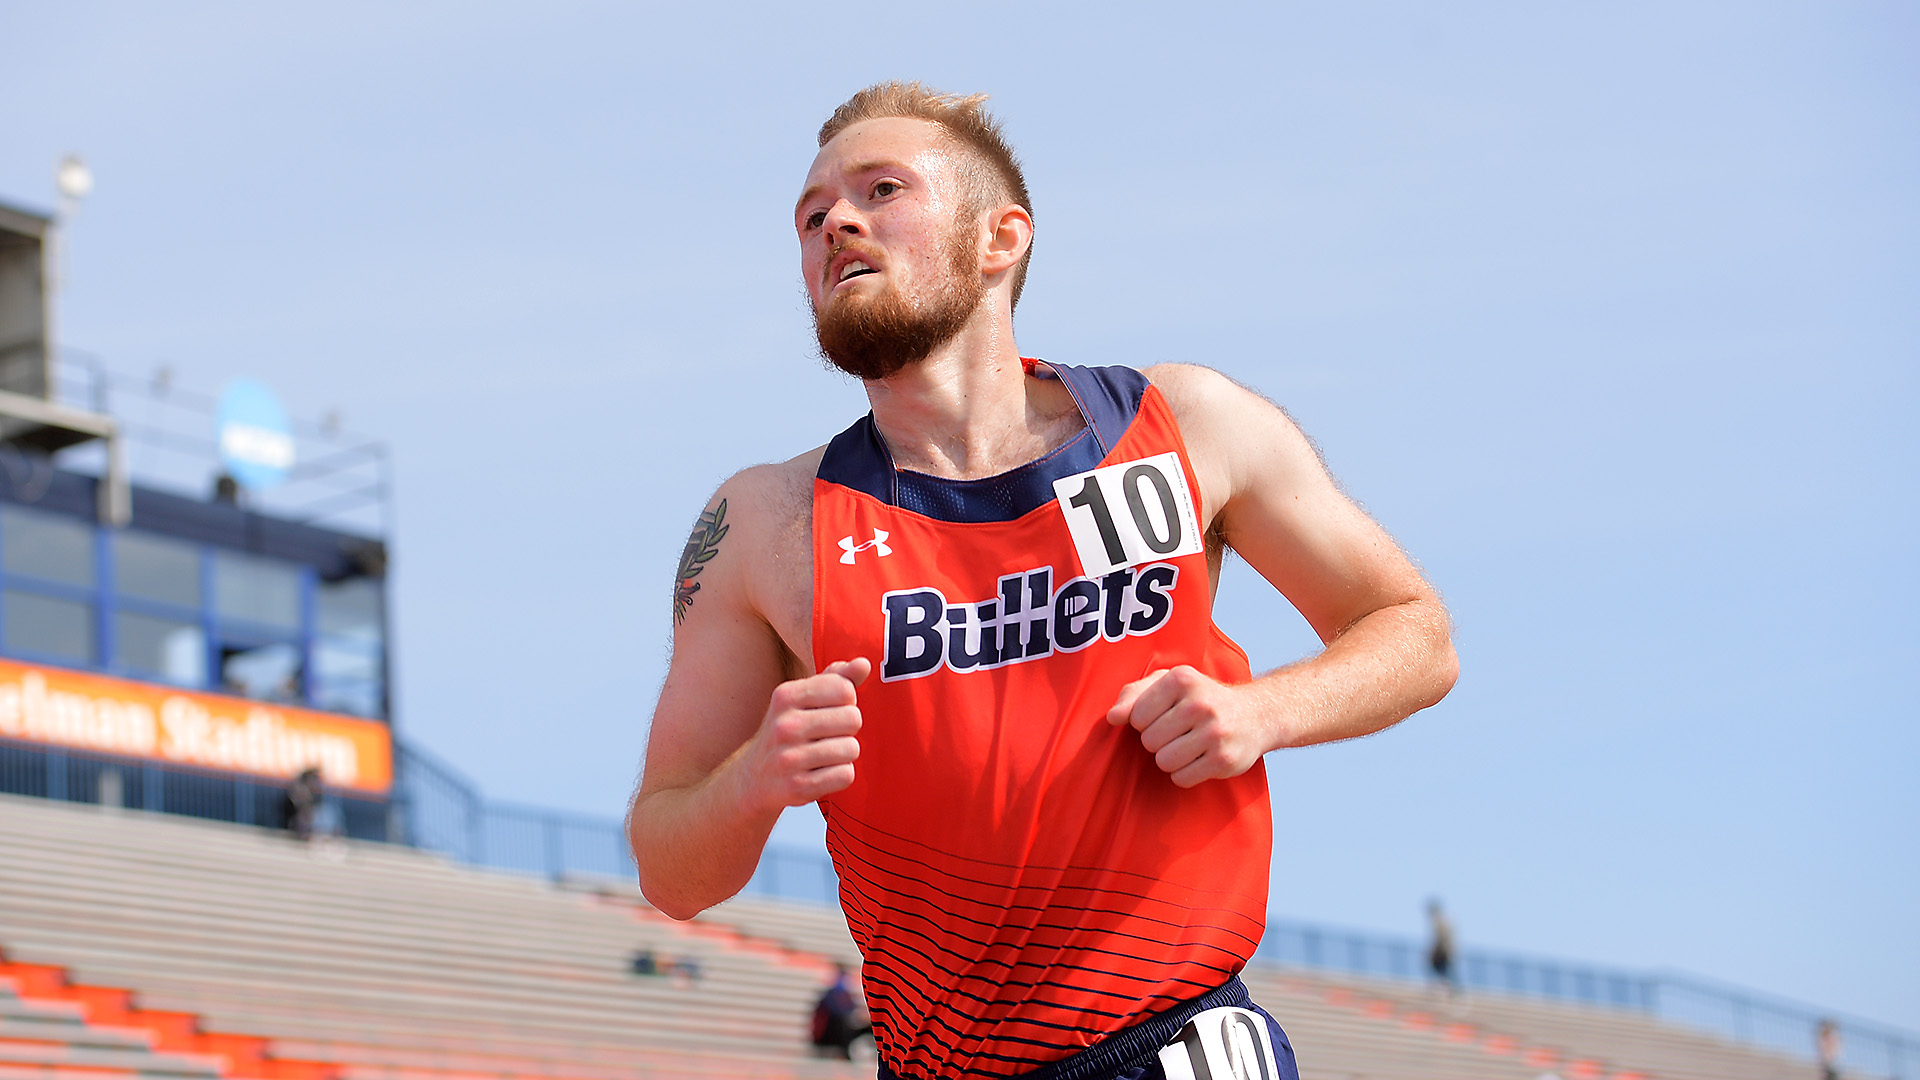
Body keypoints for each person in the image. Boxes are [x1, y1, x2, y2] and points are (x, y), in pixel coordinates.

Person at [627, 82, 1458, 1080]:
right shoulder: (765, 524)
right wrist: (754, 780)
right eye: (811, 216)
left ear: (1000, 239)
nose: (836, 221)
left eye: (881, 189)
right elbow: (670, 867)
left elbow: (1413, 631)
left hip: (1168, 1041)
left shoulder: (1184, 426)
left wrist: (1262, 711)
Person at [810, 963, 872, 1060]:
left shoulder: (842, 992)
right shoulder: (833, 993)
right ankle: (845, 1054)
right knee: (845, 1024)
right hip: (829, 1033)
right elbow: (841, 1011)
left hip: (837, 1029)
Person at [1427, 898, 1458, 996]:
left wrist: (1438, 950)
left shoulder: (1439, 922)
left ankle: (1449, 989)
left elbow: (1441, 938)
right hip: (1446, 951)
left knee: (1442, 969)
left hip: (1443, 951)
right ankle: (1448, 988)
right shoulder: (1444, 921)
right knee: (1444, 970)